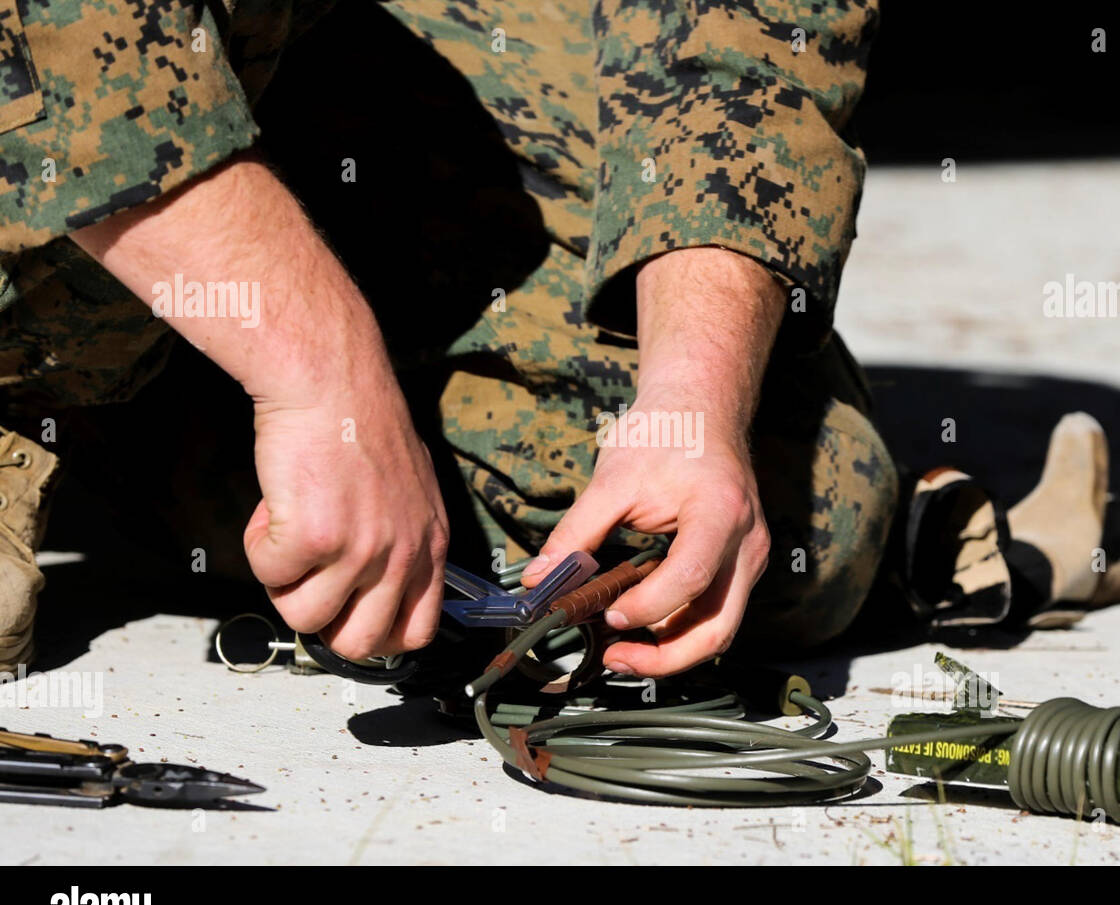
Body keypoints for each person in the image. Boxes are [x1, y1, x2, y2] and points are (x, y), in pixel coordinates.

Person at [0, 0, 897, 677]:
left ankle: (149, 398)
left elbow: (748, 38)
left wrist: (692, 400)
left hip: (316, 41)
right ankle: (32, 389)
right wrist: (323, 377)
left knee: (796, 517)